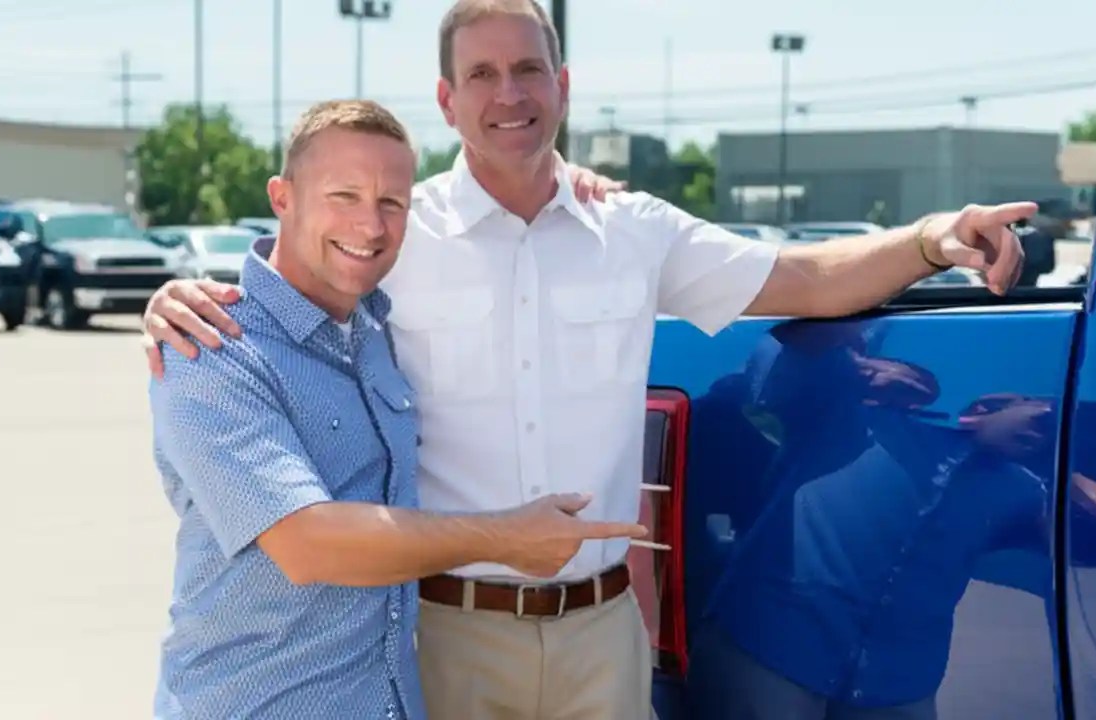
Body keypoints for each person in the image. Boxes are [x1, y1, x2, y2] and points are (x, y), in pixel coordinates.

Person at [141, 1, 1034, 717]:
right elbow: (309, 254)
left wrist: (931, 237)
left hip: (603, 634)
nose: (509, 92)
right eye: (481, 73)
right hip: (445, 634)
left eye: (528, 68)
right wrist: (183, 295)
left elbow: (804, 278)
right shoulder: (402, 229)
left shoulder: (633, 231)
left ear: (561, 85)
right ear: (448, 102)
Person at [147, 98, 645, 720]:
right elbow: (309, 545)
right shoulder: (210, 350)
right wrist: (503, 537)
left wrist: (562, 181)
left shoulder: (379, 330)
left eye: (392, 204)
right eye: (344, 196)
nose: (371, 227)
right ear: (283, 197)